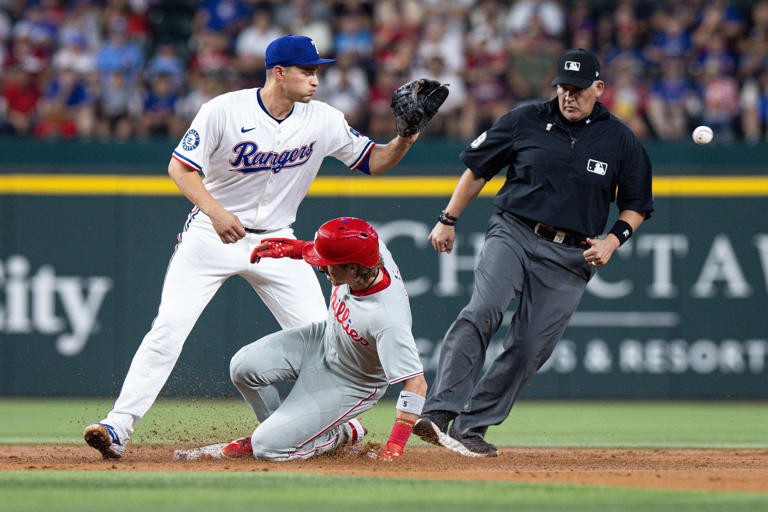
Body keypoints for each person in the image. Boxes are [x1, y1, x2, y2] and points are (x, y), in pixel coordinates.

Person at [84, 35, 423, 459]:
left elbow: (374, 161)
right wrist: (214, 210)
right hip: (212, 235)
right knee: (168, 328)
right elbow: (180, 168)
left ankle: (338, 428)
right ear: (279, 72)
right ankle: (118, 426)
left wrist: (405, 138)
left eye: (317, 70)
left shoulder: (324, 119)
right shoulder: (223, 111)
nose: (316, 79)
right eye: (307, 71)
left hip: (279, 239)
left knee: (329, 337)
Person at [413, 48, 654, 457]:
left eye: (578, 89)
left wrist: (613, 239)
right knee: (482, 310)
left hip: (571, 255)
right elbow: (478, 169)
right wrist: (448, 219)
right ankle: (437, 413)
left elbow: (637, 204)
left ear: (599, 88)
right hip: (515, 231)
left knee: (528, 348)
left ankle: (472, 427)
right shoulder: (525, 119)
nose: (568, 96)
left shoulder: (620, 140)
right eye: (563, 87)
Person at [173, 218, 427, 462]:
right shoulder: (370, 250)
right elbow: (334, 249)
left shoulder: (388, 319)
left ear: (353, 267)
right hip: (321, 340)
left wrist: (395, 447)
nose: (321, 267)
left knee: (267, 450)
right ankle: (283, 433)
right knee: (243, 367)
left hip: (351, 382)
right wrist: (296, 250)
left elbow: (416, 385)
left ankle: (339, 433)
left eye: (329, 264)